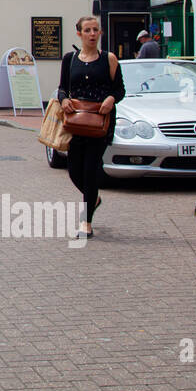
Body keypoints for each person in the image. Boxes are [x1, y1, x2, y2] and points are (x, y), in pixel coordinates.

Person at [58, 15, 126, 239]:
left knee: (90, 170)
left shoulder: (109, 59)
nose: (92, 34)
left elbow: (120, 90)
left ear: (100, 33)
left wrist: (111, 100)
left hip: (100, 123)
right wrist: (64, 100)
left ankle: (86, 223)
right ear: (79, 33)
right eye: (87, 30)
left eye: (96, 30)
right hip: (76, 122)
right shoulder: (70, 59)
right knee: (74, 170)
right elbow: (62, 89)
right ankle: (93, 198)